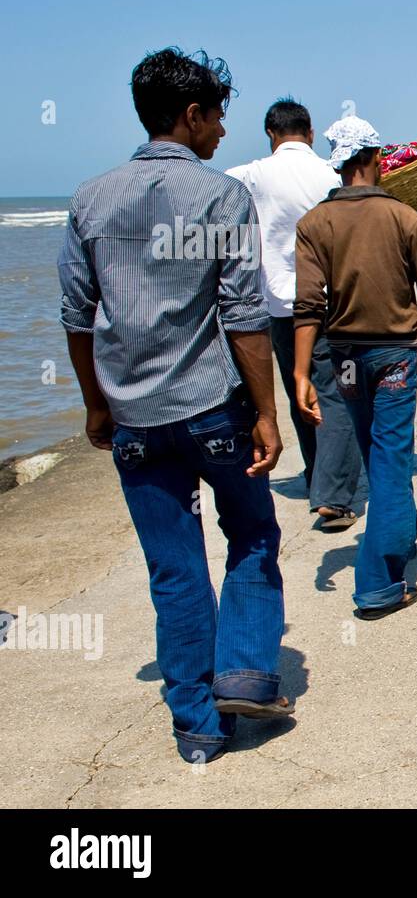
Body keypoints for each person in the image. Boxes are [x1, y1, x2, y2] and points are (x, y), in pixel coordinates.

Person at [58, 48, 292, 764]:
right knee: (251, 535)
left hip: (136, 423)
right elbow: (245, 316)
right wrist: (266, 413)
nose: (223, 131)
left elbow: (76, 316)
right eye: (218, 117)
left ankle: (196, 726)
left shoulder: (90, 199)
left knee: (175, 568)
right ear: (191, 116)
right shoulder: (220, 197)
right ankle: (248, 673)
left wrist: (97, 409)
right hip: (211, 409)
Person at [294, 115, 417, 619]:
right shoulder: (404, 218)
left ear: (339, 164)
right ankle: (377, 586)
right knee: (391, 457)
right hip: (393, 356)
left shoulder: (314, 223)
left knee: (376, 453)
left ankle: (402, 522)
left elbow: (307, 306)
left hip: (343, 358)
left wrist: (301, 373)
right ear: (373, 160)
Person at [226, 98, 364, 531]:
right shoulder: (330, 174)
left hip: (277, 307)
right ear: (309, 132)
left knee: (298, 391)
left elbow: (207, 189)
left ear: (271, 134)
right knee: (337, 392)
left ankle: (316, 479)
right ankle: (334, 495)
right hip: (333, 302)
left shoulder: (249, 175)